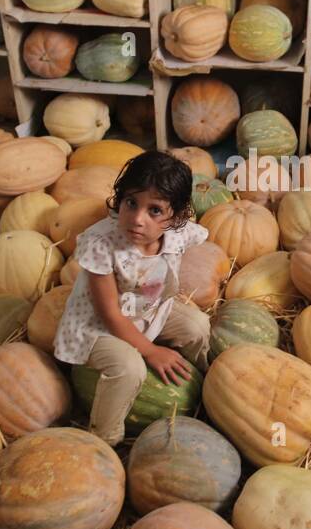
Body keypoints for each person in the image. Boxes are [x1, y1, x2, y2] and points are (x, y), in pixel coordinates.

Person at [54, 150, 212, 446]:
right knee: (129, 369)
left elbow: (204, 238)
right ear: (120, 200)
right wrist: (150, 351)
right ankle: (103, 439)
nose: (138, 219)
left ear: (175, 217)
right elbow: (111, 315)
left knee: (197, 326)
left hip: (149, 311)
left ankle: (207, 384)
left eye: (154, 210)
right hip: (98, 327)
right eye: (131, 203)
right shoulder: (102, 244)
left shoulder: (178, 232)